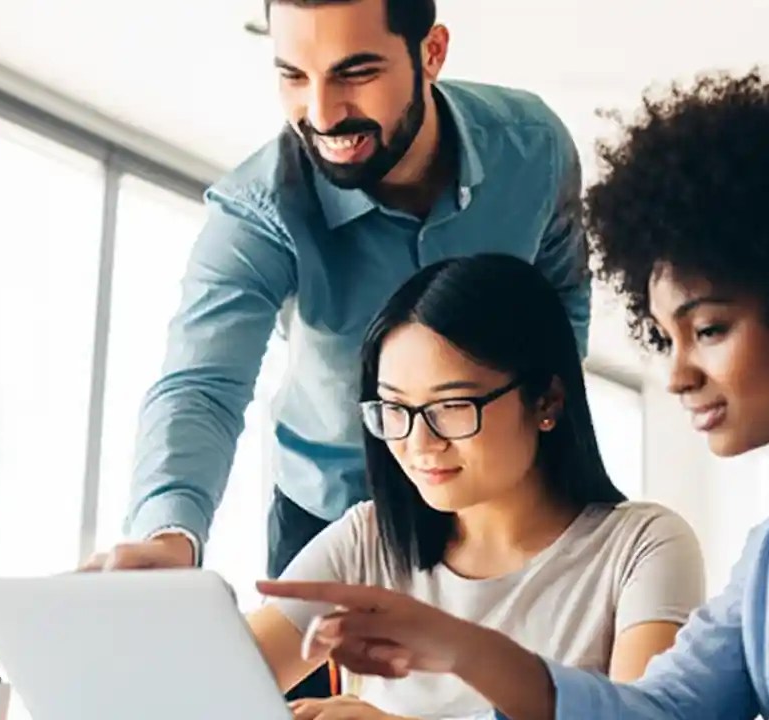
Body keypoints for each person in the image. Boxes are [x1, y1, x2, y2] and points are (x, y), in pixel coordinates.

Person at [258, 68, 769, 718]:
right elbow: (665, 710)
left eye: (709, 329)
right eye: (666, 338)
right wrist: (461, 647)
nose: (678, 373)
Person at [81, 0, 591, 699]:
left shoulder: (534, 150)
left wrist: (540, 445)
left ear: (431, 53)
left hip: (497, 508)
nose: (321, 114)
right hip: (328, 511)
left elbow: (562, 300)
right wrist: (169, 532)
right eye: (293, 75)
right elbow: (202, 385)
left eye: (356, 72)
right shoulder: (259, 207)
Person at [243, 253, 703, 719]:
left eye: (451, 406)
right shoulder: (369, 540)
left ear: (547, 401)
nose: (420, 443)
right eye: (395, 409)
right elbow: (220, 684)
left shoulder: (640, 547)